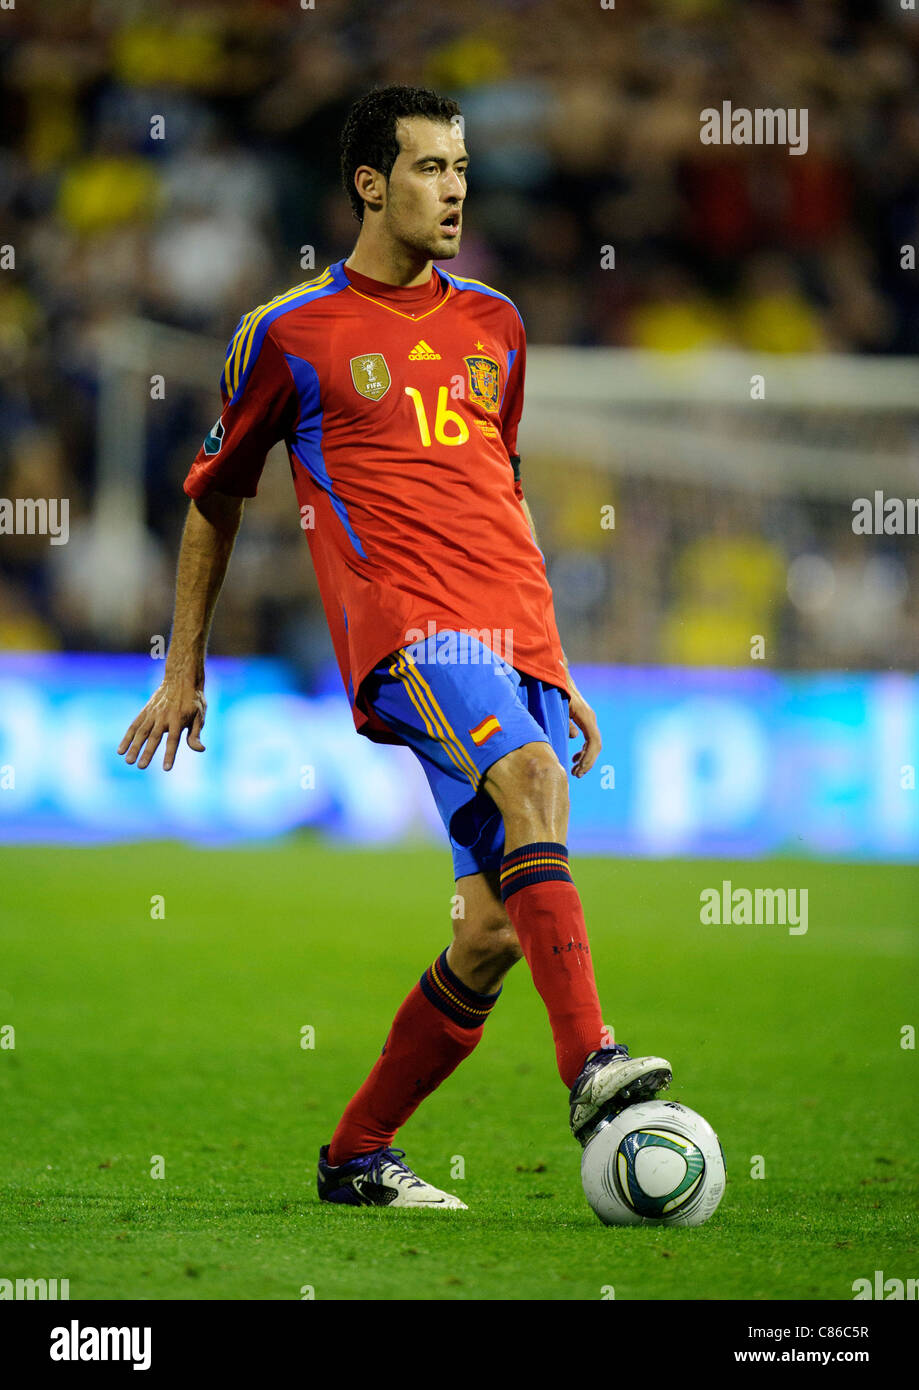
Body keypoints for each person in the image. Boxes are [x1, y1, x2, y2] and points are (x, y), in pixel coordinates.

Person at [118, 85, 671, 1209]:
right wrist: (185, 663)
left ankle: (356, 1154)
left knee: (486, 934)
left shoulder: (496, 326)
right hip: (408, 631)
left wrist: (552, 662)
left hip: (507, 629)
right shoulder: (288, 333)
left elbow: (497, 494)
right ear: (369, 184)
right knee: (528, 781)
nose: (455, 186)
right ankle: (591, 1065)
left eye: (460, 166)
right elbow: (213, 498)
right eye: (427, 167)